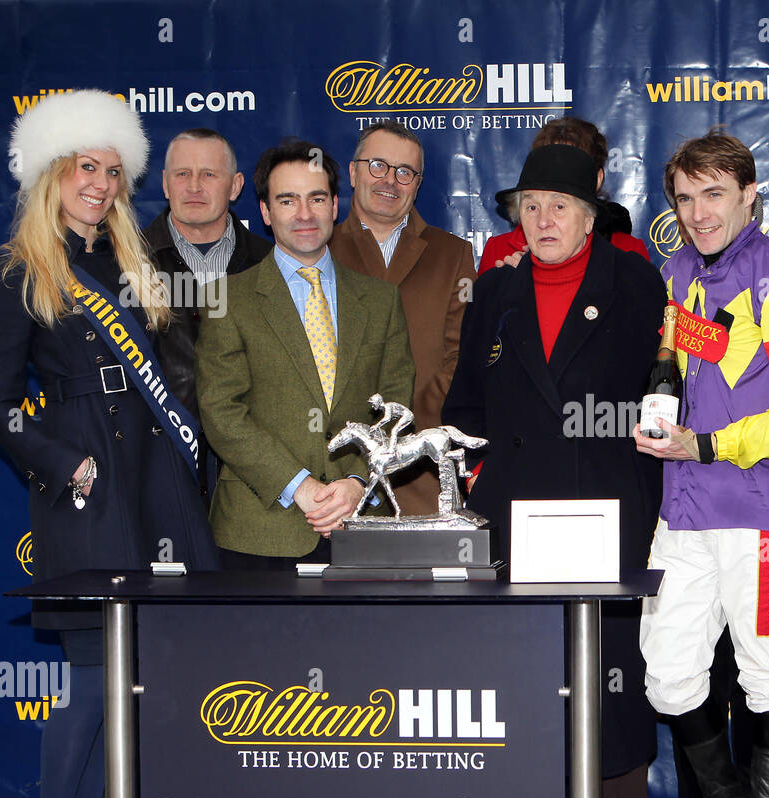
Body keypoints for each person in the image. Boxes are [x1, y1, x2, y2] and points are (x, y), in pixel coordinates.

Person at [0, 90, 218, 798]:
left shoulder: (129, 258)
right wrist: (63, 464)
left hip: (153, 474)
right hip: (89, 476)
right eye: (87, 166)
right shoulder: (16, 269)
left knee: (145, 674)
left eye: (114, 171)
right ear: (55, 172)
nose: (101, 184)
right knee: (91, 675)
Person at [443, 144, 665, 798]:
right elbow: (465, 406)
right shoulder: (495, 292)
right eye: (529, 206)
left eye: (559, 206)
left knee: (615, 666)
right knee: (527, 658)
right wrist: (479, 481)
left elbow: (666, 391)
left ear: (590, 216)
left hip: (608, 505)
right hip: (517, 510)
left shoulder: (637, 283)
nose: (542, 219)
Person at [636, 130, 769, 798]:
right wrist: (664, 425)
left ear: (750, 195)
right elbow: (687, 375)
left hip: (763, 513)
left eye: (713, 194)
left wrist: (713, 443)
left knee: (766, 670)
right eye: (685, 198)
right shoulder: (675, 272)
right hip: (683, 509)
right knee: (666, 673)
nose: (698, 212)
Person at [195, 139, 415, 569]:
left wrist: (355, 480)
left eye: (316, 198)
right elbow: (221, 412)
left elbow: (395, 406)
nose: (304, 214)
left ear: (335, 206)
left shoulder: (380, 300)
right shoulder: (226, 299)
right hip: (260, 534)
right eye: (287, 200)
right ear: (265, 212)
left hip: (362, 525)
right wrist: (301, 487)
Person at [330, 124, 476, 516]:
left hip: (420, 473)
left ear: (417, 183)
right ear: (353, 171)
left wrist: (414, 435)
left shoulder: (453, 254)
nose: (390, 180)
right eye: (378, 165)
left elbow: (460, 357)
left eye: (404, 171)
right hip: (331, 477)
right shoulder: (317, 249)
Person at [146, 128, 273, 498]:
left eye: (209, 174)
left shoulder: (272, 265)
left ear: (235, 186)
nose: (194, 186)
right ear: (166, 184)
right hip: (157, 468)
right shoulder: (125, 264)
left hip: (253, 476)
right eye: (182, 174)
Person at [477, 116, 650, 273]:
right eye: (547, 163)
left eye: (573, 167)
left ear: (597, 179)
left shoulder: (628, 254)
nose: (558, 176)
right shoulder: (498, 251)